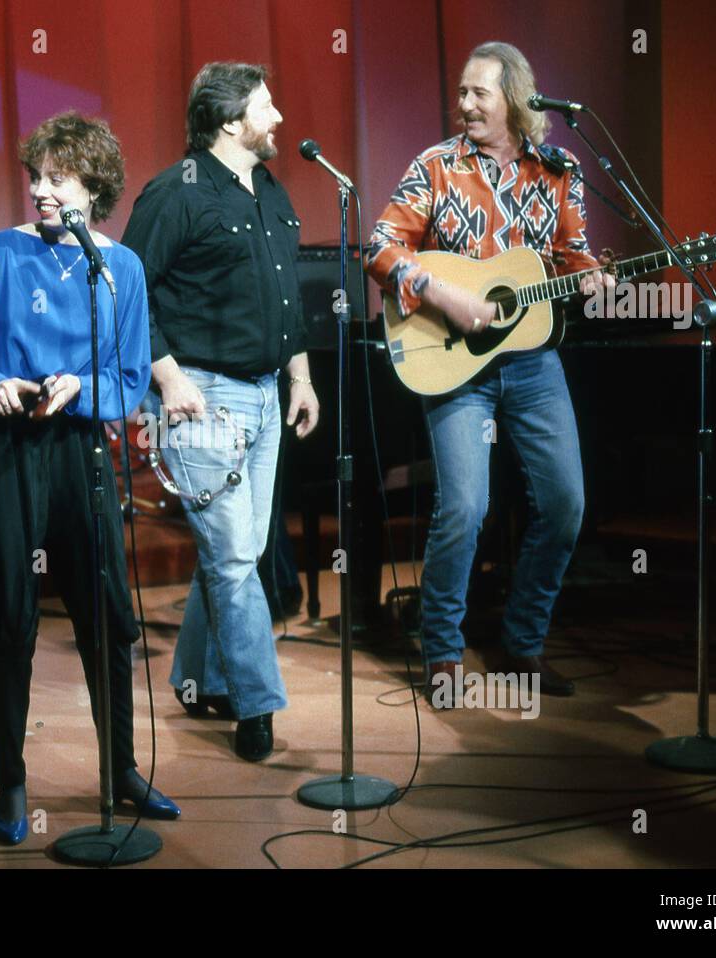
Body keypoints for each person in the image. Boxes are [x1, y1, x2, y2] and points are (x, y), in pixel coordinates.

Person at [0, 111, 180, 845]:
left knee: (106, 615)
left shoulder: (120, 268)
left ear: (93, 186)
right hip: (0, 450)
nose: (39, 189)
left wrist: (83, 387)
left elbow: (131, 376)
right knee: (9, 621)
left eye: (56, 178)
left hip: (77, 450)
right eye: (34, 176)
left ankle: (122, 769)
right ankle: (11, 781)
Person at [364, 41, 614, 706]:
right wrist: (443, 294)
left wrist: (595, 281)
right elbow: (380, 246)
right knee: (464, 507)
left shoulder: (559, 168)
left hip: (533, 360)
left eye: (481, 93)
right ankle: (443, 649)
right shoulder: (437, 166)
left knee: (565, 506)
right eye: (464, 92)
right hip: (455, 364)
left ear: (516, 101)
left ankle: (522, 641)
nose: (466, 103)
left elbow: (574, 254)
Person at [122, 62, 319, 762]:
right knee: (236, 559)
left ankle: (199, 676)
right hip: (202, 398)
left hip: (265, 394)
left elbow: (285, 296)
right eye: (268, 107)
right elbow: (126, 293)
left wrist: (299, 375)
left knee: (239, 552)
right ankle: (256, 706)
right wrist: (168, 379)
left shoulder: (266, 188)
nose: (280, 120)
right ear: (231, 121)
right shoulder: (175, 194)